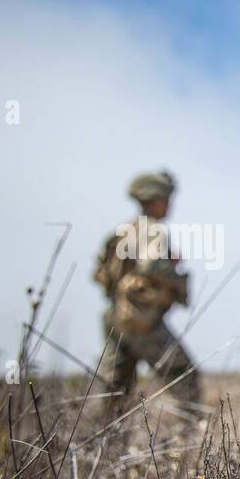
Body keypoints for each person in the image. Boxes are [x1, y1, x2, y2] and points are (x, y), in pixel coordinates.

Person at [93, 170, 198, 417]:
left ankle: (105, 446)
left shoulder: (124, 230)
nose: (170, 205)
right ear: (154, 200)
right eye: (166, 199)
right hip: (141, 320)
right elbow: (151, 265)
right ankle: (194, 438)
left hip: (114, 316)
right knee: (183, 376)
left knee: (115, 389)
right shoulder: (153, 230)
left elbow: (102, 274)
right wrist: (174, 272)